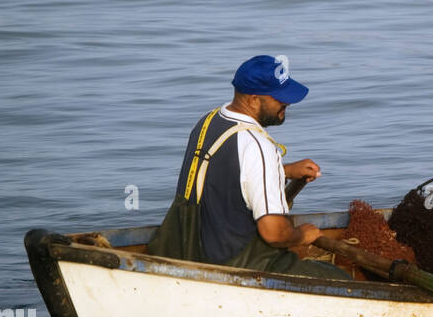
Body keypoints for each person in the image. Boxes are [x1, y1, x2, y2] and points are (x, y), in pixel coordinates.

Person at [146, 55, 351, 279]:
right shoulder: (258, 145)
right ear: (254, 99)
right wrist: (301, 236)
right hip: (239, 265)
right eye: (280, 98)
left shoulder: (209, 122)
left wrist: (284, 171)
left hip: (190, 251)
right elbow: (273, 232)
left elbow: (229, 175)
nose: (287, 104)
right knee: (341, 279)